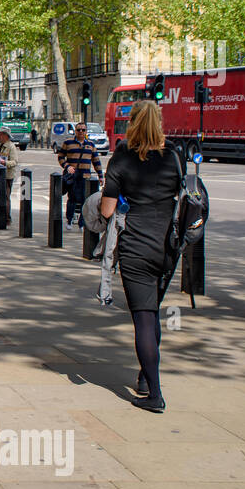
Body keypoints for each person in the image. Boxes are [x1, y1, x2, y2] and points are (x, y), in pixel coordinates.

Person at [98, 99, 184, 414]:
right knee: (153, 309)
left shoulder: (122, 157)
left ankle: (155, 394)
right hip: (168, 245)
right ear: (159, 122)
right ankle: (146, 379)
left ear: (131, 122)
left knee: (143, 317)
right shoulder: (174, 156)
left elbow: (107, 210)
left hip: (136, 245)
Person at [58, 121, 104, 229]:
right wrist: (67, 166)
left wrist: (100, 175)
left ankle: (82, 223)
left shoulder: (91, 145)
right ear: (75, 131)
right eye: (79, 130)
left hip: (85, 175)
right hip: (73, 175)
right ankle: (69, 220)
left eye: (83, 130)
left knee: (85, 199)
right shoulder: (68, 143)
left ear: (86, 132)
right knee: (72, 198)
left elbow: (96, 161)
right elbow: (60, 157)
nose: (81, 132)